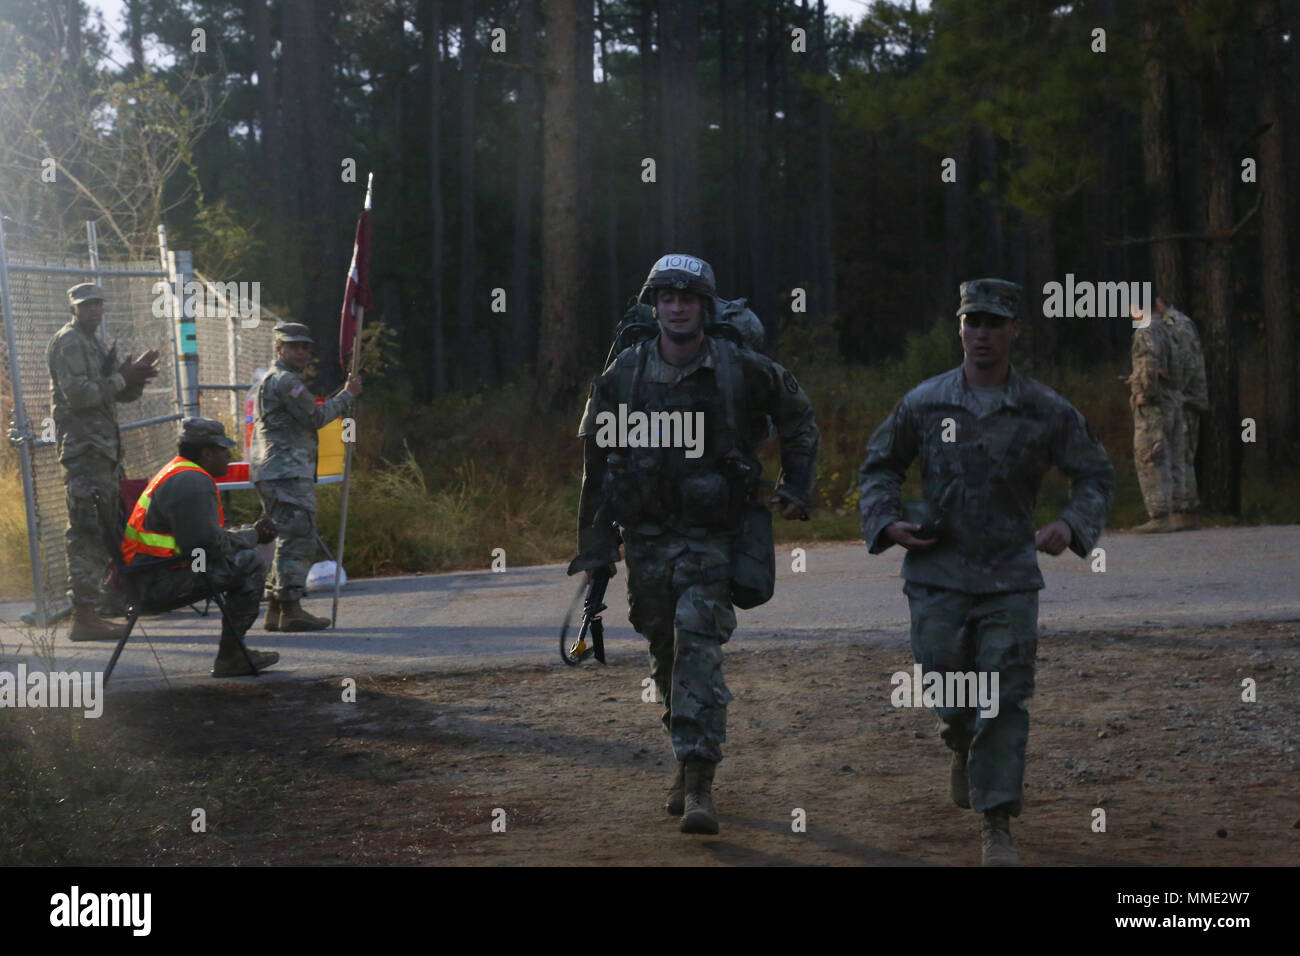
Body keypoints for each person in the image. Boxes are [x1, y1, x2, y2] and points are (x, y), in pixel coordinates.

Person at [858, 278, 1114, 866]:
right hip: (937, 574)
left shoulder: (1043, 409)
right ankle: (960, 739)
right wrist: (887, 522)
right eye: (973, 321)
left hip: (1010, 578)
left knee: (1004, 695)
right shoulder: (924, 402)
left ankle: (996, 822)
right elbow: (879, 467)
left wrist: (1072, 526)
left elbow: (1094, 474)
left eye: (995, 323)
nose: (982, 334)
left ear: (1015, 331)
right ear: (960, 328)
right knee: (948, 687)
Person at [571, 253, 819, 835]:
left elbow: (799, 419)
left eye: (688, 298)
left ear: (705, 306)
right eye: (667, 298)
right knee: (664, 649)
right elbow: (597, 463)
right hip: (648, 540)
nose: (677, 307)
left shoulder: (741, 368)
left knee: (697, 642)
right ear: (654, 307)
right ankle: (686, 755)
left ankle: (700, 777)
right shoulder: (623, 375)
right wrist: (595, 543)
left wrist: (797, 487)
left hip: (715, 537)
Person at [46, 282, 160, 641]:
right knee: (86, 530)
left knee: (102, 528)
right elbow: (79, 395)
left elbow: (109, 394)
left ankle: (94, 608)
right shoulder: (69, 342)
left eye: (97, 304)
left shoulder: (91, 342)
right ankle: (84, 615)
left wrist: (132, 379)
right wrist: (120, 378)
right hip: (85, 451)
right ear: (73, 310)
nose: (93, 310)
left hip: (102, 452)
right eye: (85, 305)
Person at [122, 418, 279, 677]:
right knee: (249, 563)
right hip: (156, 584)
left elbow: (201, 542)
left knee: (241, 555)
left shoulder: (179, 472)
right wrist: (254, 535)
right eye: (223, 450)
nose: (229, 456)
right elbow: (207, 547)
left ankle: (234, 654)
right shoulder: (192, 482)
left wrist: (244, 535)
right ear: (206, 453)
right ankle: (231, 656)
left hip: (147, 576)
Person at [251, 322, 362, 631]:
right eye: (293, 346)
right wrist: (347, 396)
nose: (301, 352)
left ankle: (277, 608)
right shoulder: (287, 382)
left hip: (275, 469)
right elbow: (315, 417)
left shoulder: (276, 380)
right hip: (285, 470)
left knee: (288, 533)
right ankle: (291, 607)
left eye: (305, 347)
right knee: (298, 535)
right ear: (279, 348)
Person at [1160, 299, 1208, 529]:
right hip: (1181, 399)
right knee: (1180, 453)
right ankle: (1183, 510)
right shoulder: (1169, 324)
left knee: (1183, 454)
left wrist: (1171, 385)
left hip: (1186, 400)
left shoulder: (1178, 324)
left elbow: (1187, 363)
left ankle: (1185, 510)